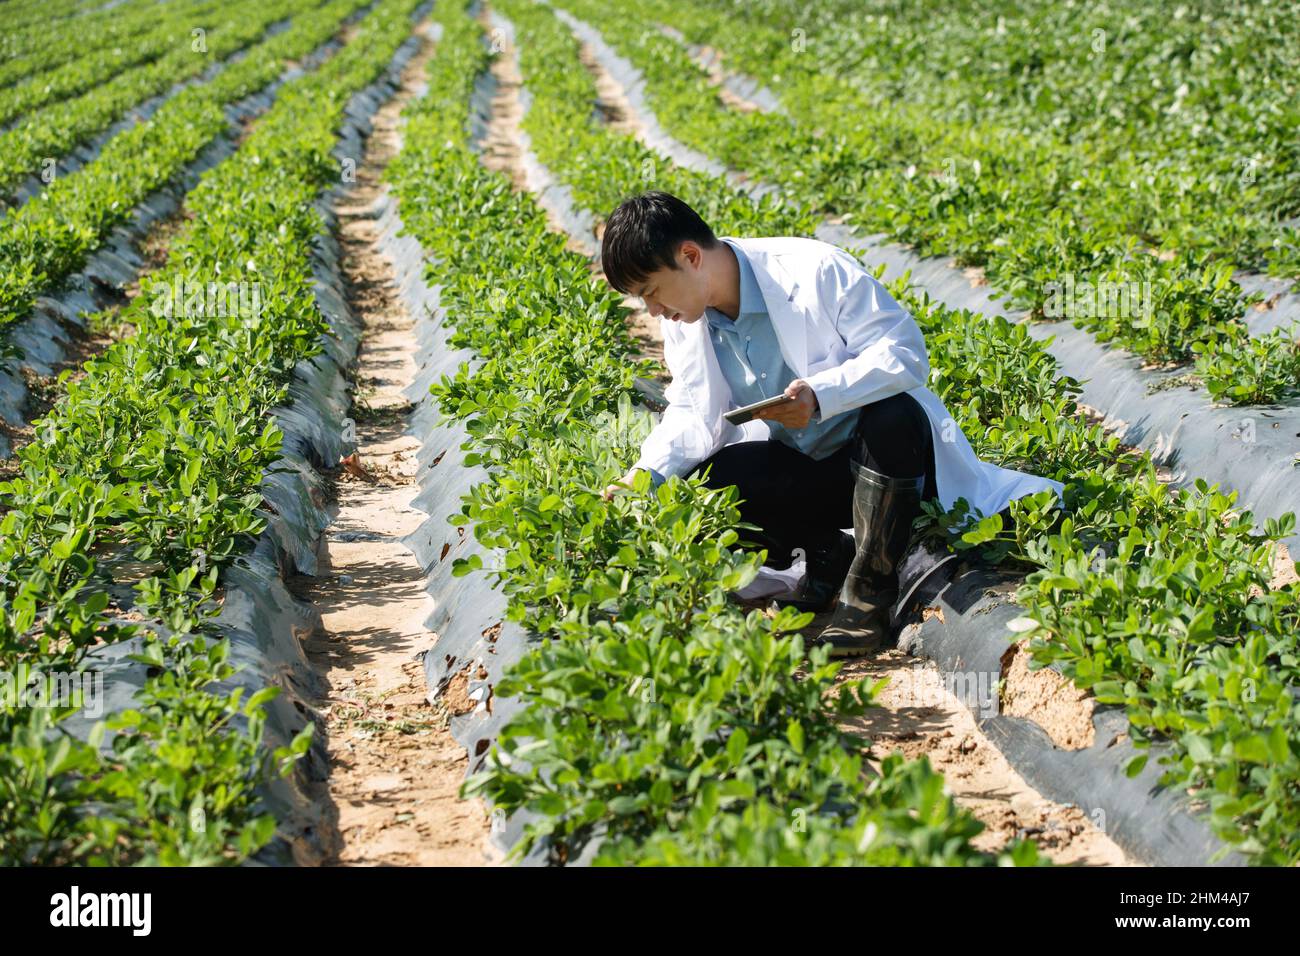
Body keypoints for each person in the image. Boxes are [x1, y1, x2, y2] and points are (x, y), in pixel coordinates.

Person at [599, 191, 1062, 656]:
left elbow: (903, 352)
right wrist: (646, 473)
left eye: (652, 292)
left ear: (691, 256)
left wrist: (822, 396)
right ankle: (827, 552)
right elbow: (693, 410)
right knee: (713, 479)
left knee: (893, 414)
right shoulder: (687, 319)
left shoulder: (814, 270)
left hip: (893, 468)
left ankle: (867, 599)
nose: (653, 312)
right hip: (817, 471)